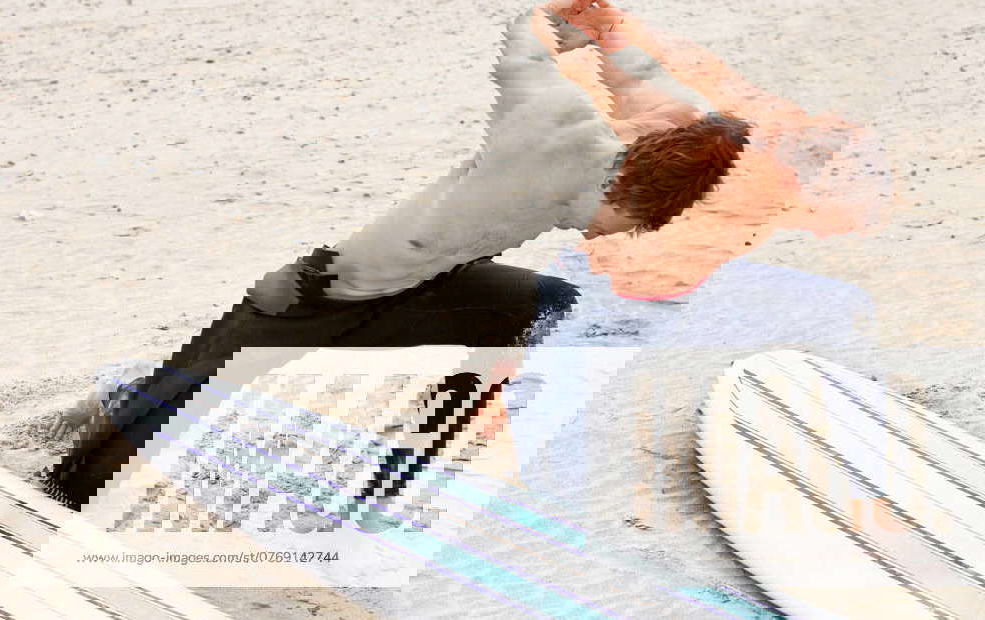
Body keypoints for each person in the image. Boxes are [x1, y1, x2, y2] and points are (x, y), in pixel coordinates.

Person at [45, 0, 847, 513]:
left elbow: (546, 49)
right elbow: (651, 100)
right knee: (195, 388)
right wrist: (605, 40)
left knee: (534, 305)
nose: (607, 231)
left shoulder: (565, 122)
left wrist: (584, 27)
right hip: (332, 285)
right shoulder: (595, 177)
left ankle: (398, 472)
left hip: (425, 274)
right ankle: (65, 487)